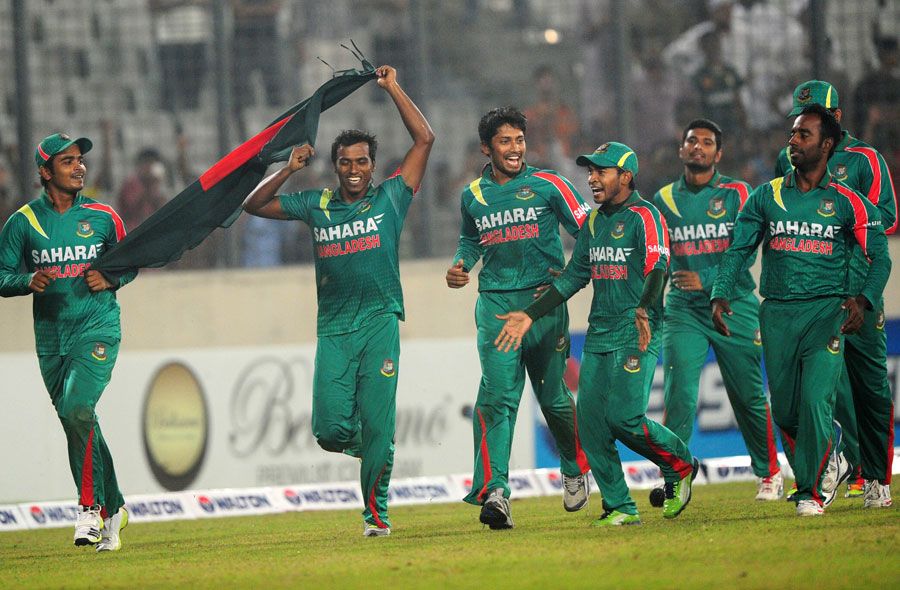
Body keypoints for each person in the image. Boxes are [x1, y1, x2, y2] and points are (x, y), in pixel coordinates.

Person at [242, 65, 434, 537]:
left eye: (362, 161)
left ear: (374, 165)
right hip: (333, 329)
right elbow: (253, 206)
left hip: (379, 322)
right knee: (328, 430)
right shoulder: (317, 204)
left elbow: (425, 140)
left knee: (377, 421)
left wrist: (392, 86)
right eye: (345, 162)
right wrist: (287, 169)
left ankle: (376, 515)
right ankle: (376, 447)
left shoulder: (392, 197)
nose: (353, 170)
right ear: (335, 166)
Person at [495, 142, 698, 527]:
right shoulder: (592, 222)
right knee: (589, 425)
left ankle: (681, 465)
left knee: (624, 418)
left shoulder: (646, 216)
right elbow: (575, 275)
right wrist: (529, 315)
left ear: (625, 176)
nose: (591, 179)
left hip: (637, 330)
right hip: (600, 331)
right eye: (590, 171)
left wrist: (645, 306)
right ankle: (620, 505)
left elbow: (658, 266)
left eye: (600, 171)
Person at [712, 105, 890, 516]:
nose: (792, 141)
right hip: (776, 315)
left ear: (827, 145)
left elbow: (880, 257)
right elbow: (739, 247)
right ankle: (835, 460)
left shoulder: (849, 201)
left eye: (803, 135)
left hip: (826, 313)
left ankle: (811, 491)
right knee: (788, 411)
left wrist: (863, 300)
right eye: (792, 134)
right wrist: (720, 293)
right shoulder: (767, 195)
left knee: (814, 401)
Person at [446, 106, 591, 530]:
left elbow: (589, 233)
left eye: (520, 140)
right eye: (505, 141)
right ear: (487, 148)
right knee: (496, 398)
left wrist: (568, 277)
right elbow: (470, 239)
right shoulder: (472, 194)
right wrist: (461, 264)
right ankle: (495, 492)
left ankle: (574, 466)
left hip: (543, 305)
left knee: (553, 399)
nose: (515, 149)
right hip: (494, 305)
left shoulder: (550, 184)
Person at [0, 133, 136, 549]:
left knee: (78, 408)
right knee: (78, 420)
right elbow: (2, 277)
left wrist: (112, 277)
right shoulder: (23, 222)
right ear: (44, 172)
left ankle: (89, 509)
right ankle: (116, 510)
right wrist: (25, 281)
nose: (79, 167)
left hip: (97, 328)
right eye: (67, 162)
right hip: (51, 339)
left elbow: (132, 260)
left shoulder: (103, 216)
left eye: (80, 160)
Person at [774, 80, 896, 506]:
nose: (799, 131)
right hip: (811, 294)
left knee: (870, 388)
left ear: (836, 120)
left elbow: (887, 220)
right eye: (798, 120)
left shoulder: (865, 159)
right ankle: (835, 464)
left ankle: (879, 478)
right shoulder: (786, 160)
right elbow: (781, 214)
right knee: (820, 392)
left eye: (815, 118)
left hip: (858, 292)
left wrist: (842, 212)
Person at [651, 119, 781, 504]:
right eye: (691, 140)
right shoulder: (663, 200)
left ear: (718, 154)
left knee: (748, 397)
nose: (698, 147)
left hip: (735, 304)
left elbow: (746, 250)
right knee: (678, 397)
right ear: (681, 149)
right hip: (684, 310)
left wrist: (707, 278)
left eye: (707, 142)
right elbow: (658, 260)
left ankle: (770, 474)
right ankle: (675, 478)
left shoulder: (739, 193)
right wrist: (648, 306)